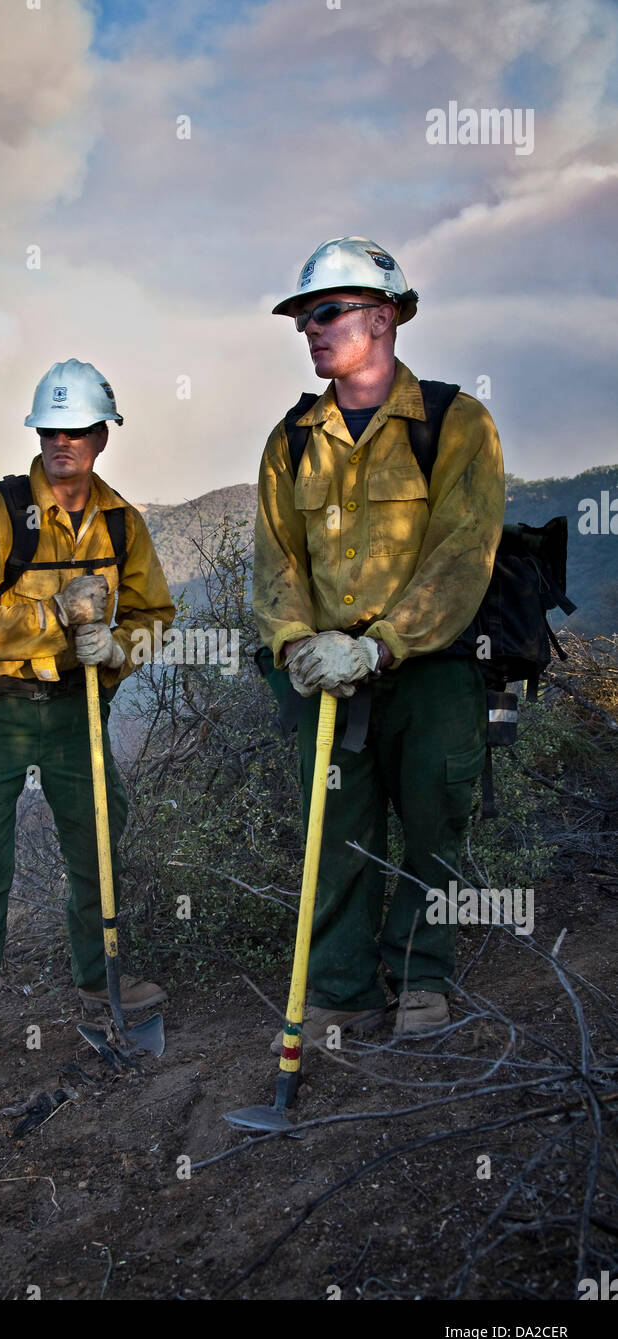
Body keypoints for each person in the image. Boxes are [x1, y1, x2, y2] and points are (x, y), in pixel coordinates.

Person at [252, 236, 505, 1048]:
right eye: (302, 319)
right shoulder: (290, 438)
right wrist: (298, 646)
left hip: (430, 671)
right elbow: (278, 560)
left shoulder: (456, 423)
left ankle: (423, 972)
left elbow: (464, 553)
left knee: (434, 822)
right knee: (335, 833)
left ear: (385, 315)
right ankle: (344, 988)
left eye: (325, 312)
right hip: (326, 676)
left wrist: (383, 644)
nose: (309, 330)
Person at [0, 359, 175, 1089]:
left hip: (72, 710)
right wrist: (54, 618)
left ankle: (100, 979)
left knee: (98, 846)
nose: (64, 443)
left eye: (78, 430)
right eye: (51, 430)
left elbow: (157, 617)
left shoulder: (121, 522)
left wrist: (119, 649)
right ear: (38, 432)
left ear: (101, 436)